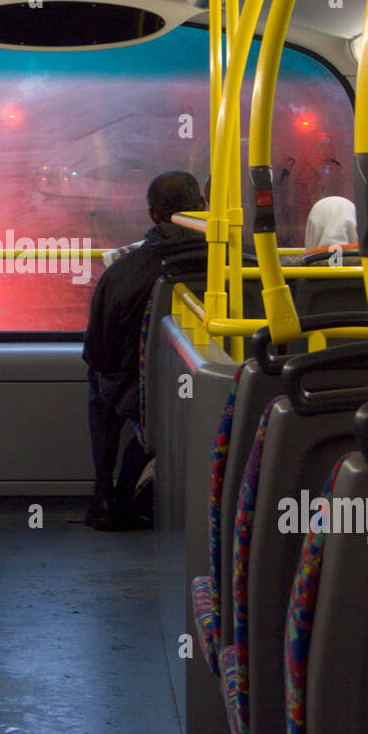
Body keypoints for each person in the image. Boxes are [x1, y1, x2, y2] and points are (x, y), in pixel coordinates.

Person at [82, 171, 205, 529]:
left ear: (152, 214)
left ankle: (105, 493)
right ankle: (135, 487)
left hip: (143, 396)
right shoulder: (237, 264)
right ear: (202, 207)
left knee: (100, 381)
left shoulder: (123, 273)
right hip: (221, 389)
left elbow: (99, 354)